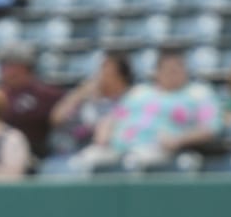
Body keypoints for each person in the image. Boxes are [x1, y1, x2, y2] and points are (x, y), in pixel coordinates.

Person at [75, 50, 221, 171]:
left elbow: (210, 128)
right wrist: (104, 132)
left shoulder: (198, 93)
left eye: (176, 69)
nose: (172, 74)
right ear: (157, 72)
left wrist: (179, 140)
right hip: (118, 147)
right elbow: (113, 117)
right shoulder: (140, 91)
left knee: (135, 161)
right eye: (167, 70)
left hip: (160, 149)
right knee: (84, 161)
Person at [51, 52, 135, 150]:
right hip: (70, 144)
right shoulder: (85, 96)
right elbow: (56, 119)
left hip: (103, 149)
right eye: (102, 69)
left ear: (121, 77)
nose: (102, 76)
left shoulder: (130, 99)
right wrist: (79, 94)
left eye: (108, 72)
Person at [0, 43, 64, 159]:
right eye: (3, 66)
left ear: (23, 67)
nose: (3, 70)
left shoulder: (46, 94)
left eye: (7, 65)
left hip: (36, 153)